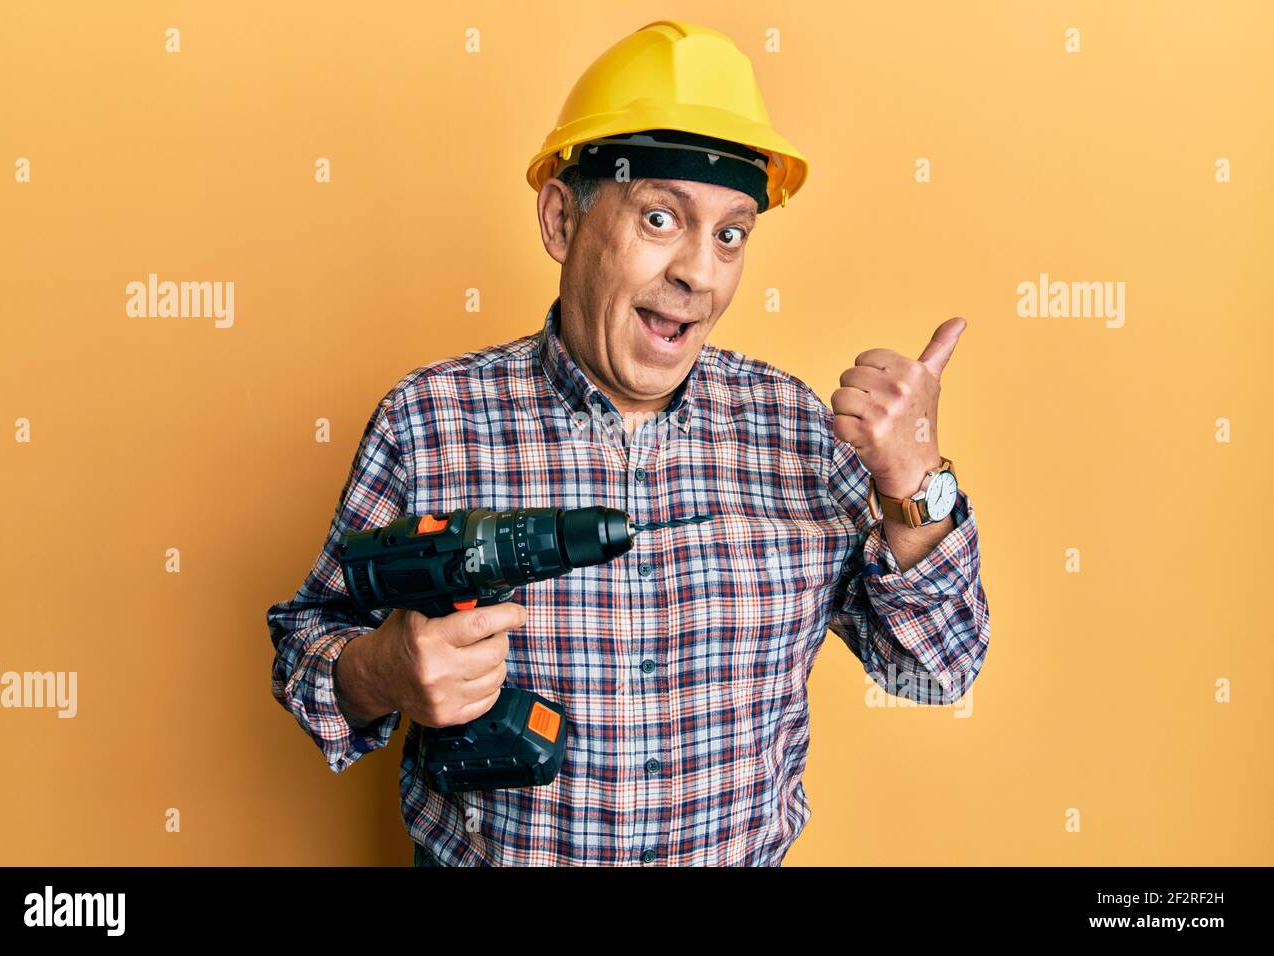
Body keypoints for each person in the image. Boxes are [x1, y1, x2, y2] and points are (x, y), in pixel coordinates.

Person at [266, 19, 989, 867]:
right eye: (659, 217)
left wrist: (916, 483)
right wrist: (381, 673)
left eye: (731, 233)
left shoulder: (797, 430)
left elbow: (934, 676)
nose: (699, 273)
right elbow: (305, 650)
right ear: (561, 222)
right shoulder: (430, 421)